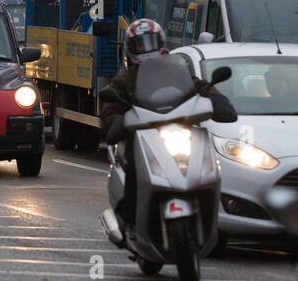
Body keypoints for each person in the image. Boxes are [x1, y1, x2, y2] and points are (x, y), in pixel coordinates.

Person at [99, 18, 236, 227]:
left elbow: (199, 87)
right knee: (134, 167)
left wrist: (216, 99)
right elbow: (110, 111)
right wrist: (116, 121)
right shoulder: (123, 80)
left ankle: (211, 213)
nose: (147, 50)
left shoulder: (178, 72)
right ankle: (131, 222)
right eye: (141, 45)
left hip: (179, 132)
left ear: (162, 44)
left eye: (151, 43)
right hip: (143, 141)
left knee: (208, 165)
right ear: (130, 50)